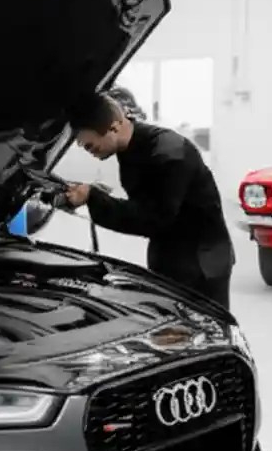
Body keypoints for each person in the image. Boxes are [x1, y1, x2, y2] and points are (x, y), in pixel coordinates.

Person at [63, 92, 236, 309]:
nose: (90, 152)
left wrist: (94, 197)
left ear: (114, 127)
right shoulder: (131, 147)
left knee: (203, 334)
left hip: (201, 263)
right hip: (173, 255)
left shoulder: (169, 152)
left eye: (90, 146)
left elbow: (154, 217)